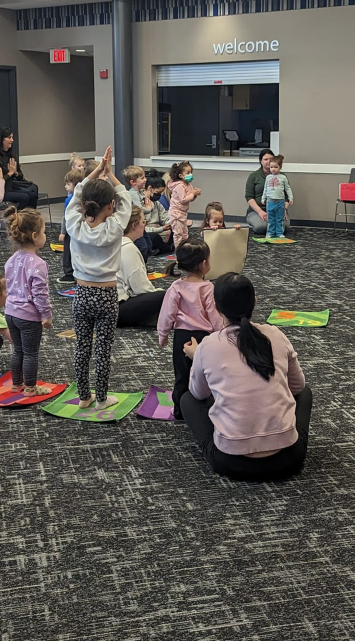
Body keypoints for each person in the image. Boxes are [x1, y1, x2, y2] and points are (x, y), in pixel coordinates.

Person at [181, 273, 312, 481]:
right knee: (305, 393)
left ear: (216, 307)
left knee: (187, 400)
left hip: (230, 461)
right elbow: (298, 387)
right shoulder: (276, 334)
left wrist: (197, 357)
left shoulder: (208, 345)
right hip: (288, 458)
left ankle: (230, 434)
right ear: (255, 302)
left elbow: (198, 394)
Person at [66, 147, 129, 410]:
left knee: (82, 347)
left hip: (81, 294)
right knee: (103, 349)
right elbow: (126, 197)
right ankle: (101, 399)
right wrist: (109, 173)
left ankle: (84, 397)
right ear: (111, 205)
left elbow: (77, 193)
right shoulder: (115, 227)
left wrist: (95, 172)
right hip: (106, 296)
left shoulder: (75, 225)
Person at [157, 238, 226, 419]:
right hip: (204, 338)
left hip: (181, 338)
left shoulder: (176, 287)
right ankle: (205, 409)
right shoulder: (208, 288)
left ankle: (179, 411)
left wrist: (163, 334)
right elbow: (214, 316)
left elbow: (167, 314)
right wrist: (221, 335)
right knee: (205, 374)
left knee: (182, 375)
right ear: (203, 264)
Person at [2, 209, 53, 395]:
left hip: (10, 313)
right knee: (31, 353)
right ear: (34, 236)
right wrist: (46, 315)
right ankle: (31, 388)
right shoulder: (38, 263)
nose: (45, 235)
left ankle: (17, 384)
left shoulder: (11, 259)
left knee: (18, 350)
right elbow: (40, 294)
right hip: (28, 317)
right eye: (44, 232)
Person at [117, 206, 166, 328]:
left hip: (109, 305)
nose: (145, 225)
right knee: (164, 295)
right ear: (134, 225)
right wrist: (157, 292)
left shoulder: (116, 242)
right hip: (118, 308)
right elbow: (141, 287)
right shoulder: (128, 248)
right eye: (143, 222)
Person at [0, 127, 39, 210]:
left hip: (12, 186)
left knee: (33, 194)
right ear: (1, 140)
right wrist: (10, 173)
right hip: (1, 190)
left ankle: (30, 215)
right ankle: (17, 217)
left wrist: (15, 173)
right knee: (24, 197)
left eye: (12, 137)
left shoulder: (11, 155)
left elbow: (20, 176)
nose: (12, 140)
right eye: (9, 137)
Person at [244, 149, 290, 237]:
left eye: (271, 159)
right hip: (257, 211)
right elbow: (249, 197)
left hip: (278, 209)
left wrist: (284, 209)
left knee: (285, 226)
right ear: (261, 161)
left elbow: (287, 196)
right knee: (262, 227)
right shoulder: (254, 176)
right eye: (265, 159)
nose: (268, 161)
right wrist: (260, 212)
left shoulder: (282, 176)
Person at [57, 170, 84, 286]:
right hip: (79, 228)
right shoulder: (83, 197)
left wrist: (63, 232)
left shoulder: (69, 200)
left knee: (68, 251)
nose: (65, 186)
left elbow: (65, 217)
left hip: (69, 229)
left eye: (68, 184)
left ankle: (69, 274)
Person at [167, 161, 201, 249]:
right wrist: (193, 194)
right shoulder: (179, 186)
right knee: (178, 234)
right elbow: (183, 199)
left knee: (185, 234)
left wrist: (195, 195)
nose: (190, 175)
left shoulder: (188, 185)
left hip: (183, 213)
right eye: (188, 173)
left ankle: (185, 249)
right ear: (181, 175)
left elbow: (189, 199)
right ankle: (178, 251)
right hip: (176, 213)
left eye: (191, 172)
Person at [261, 155, 294, 239]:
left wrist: (290, 198)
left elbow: (287, 188)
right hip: (270, 201)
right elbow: (265, 188)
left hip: (280, 202)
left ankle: (279, 233)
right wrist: (263, 198)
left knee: (279, 218)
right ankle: (270, 232)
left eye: (276, 167)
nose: (273, 169)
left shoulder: (283, 177)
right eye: (271, 167)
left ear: (280, 167)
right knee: (271, 218)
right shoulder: (268, 177)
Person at [142, 176, 174, 258]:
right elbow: (142, 228)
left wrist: (171, 223)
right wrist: (161, 229)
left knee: (177, 229)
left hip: (158, 229)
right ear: (150, 188)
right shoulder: (139, 203)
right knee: (153, 237)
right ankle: (166, 248)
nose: (159, 196)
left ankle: (162, 248)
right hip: (147, 231)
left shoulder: (156, 203)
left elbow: (165, 217)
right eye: (158, 192)